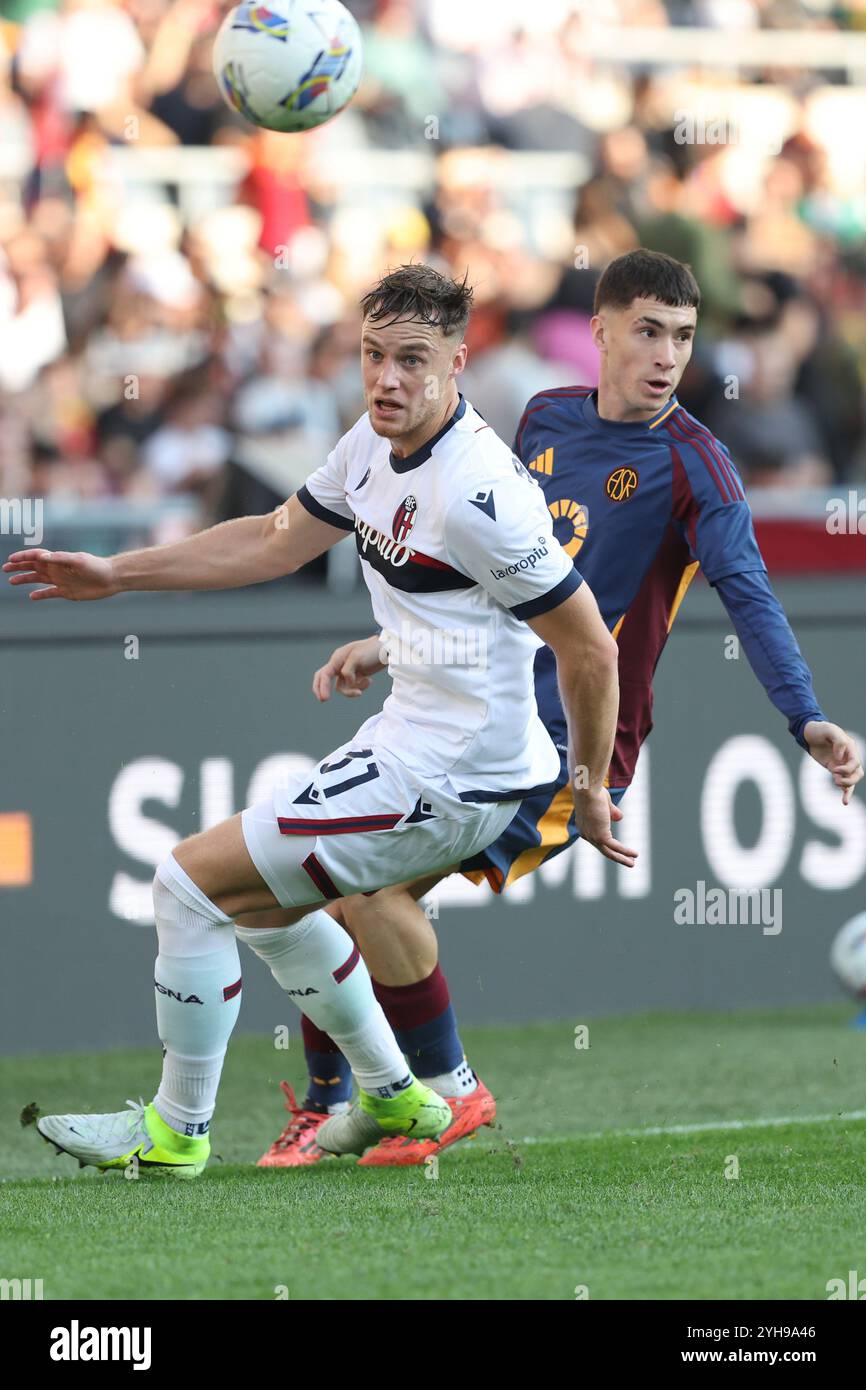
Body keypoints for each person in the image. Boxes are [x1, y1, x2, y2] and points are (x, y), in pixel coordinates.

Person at [4, 262, 630, 1176]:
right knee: (264, 909)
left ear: (458, 363)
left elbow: (589, 649)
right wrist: (117, 575)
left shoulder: (480, 496)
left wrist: (591, 788)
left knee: (187, 886)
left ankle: (176, 1131)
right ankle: (399, 1089)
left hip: (459, 772)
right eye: (374, 355)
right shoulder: (371, 444)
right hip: (409, 740)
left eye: (412, 361)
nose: (387, 379)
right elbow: (271, 540)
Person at [258, 247, 863, 1169]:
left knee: (368, 889)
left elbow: (749, 592)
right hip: (480, 706)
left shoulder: (696, 464)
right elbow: (498, 576)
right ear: (603, 333)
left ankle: (439, 1092)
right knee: (339, 886)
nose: (666, 355)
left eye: (683, 337)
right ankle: (350, 1103)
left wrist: (804, 715)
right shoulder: (543, 419)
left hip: (568, 747)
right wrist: (398, 644)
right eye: (649, 331)